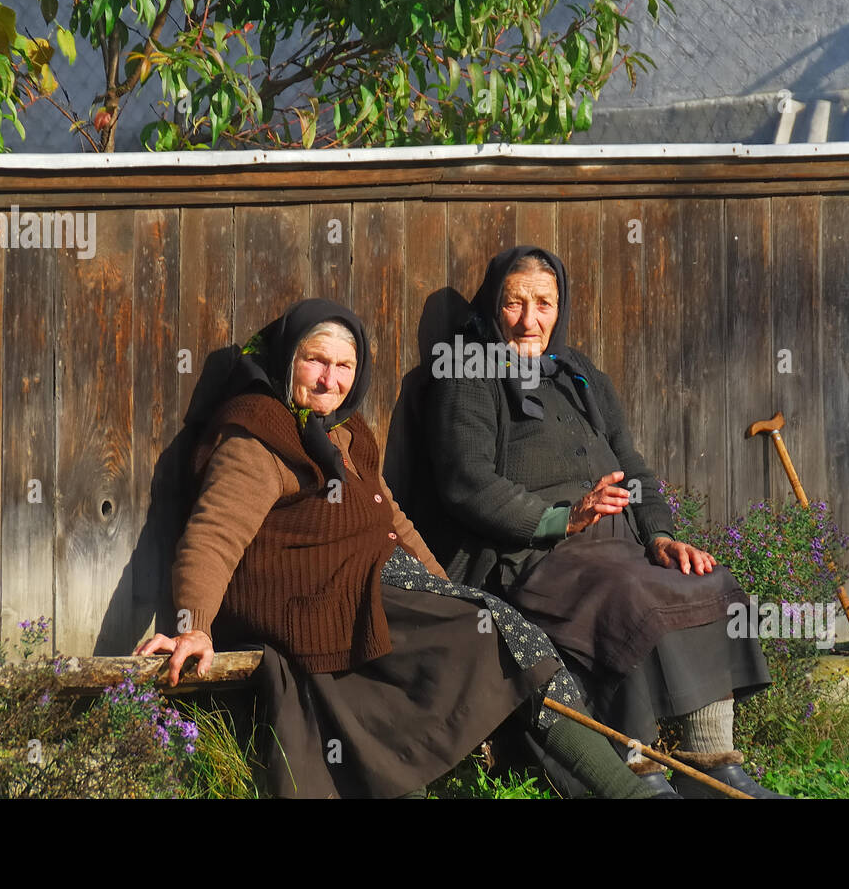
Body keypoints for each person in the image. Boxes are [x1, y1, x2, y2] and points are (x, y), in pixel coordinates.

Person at [137, 298, 669, 799]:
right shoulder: (258, 437)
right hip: (314, 595)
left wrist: (450, 592)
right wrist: (194, 626)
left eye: (344, 366)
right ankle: (621, 791)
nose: (331, 380)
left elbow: (391, 518)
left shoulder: (343, 433)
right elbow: (213, 534)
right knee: (505, 643)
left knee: (500, 631)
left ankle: (613, 785)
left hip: (368, 580)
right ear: (287, 360)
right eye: (316, 362)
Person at [422, 246, 789, 798]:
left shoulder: (579, 373)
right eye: (515, 302)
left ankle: (713, 766)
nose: (530, 319)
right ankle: (638, 772)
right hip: (528, 554)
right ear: (493, 306)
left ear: (560, 308)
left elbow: (631, 467)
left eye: (544, 303)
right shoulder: (467, 373)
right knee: (629, 598)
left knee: (706, 580)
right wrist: (560, 520)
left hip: (616, 548)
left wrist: (661, 536)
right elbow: (465, 482)